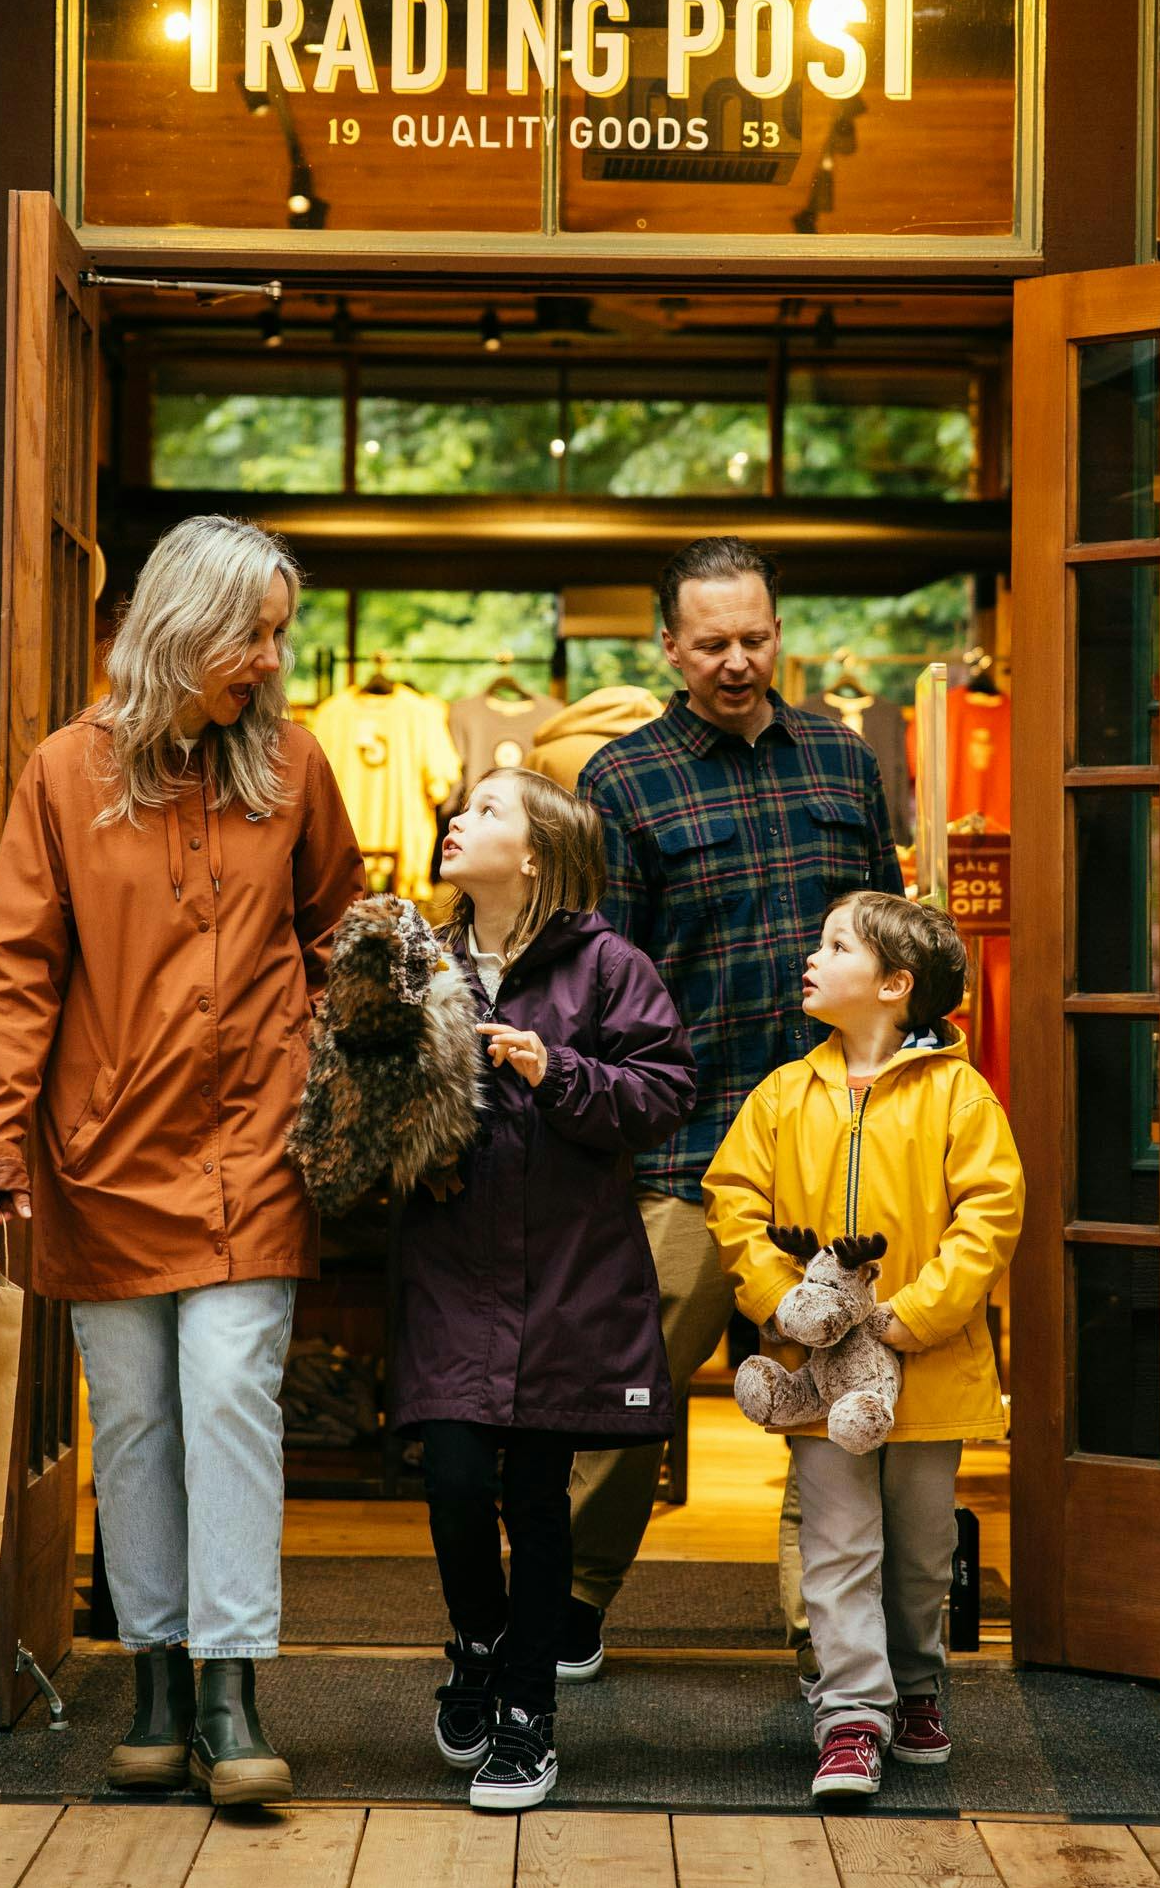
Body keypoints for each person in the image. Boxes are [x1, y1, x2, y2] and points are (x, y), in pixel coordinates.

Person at [0, 515, 362, 1808]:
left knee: (232, 1397)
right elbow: (16, 968)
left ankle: (233, 1687)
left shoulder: (292, 766)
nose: (270, 659)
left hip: (256, 1143)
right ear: (186, 625)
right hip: (100, 1152)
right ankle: (157, 1682)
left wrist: (358, 1073)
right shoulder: (66, 774)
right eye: (256, 632)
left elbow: (344, 930)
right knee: (132, 1423)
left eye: (279, 633)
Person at [563, 535, 902, 1679]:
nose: (736, 661)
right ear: (668, 646)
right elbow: (599, 982)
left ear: (775, 630)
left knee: (837, 1400)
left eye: (753, 637)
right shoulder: (622, 782)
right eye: (709, 643)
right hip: (685, 1150)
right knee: (627, 1386)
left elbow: (890, 947)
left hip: (841, 1144)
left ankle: (829, 1628)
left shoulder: (845, 765)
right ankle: (567, 1600)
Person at [390, 766, 695, 1811]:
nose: (455, 821)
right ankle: (475, 1641)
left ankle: (527, 1710)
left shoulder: (608, 965)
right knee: (453, 1479)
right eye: (459, 808)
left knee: (537, 1493)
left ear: (533, 855)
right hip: (452, 1271)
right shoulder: (417, 961)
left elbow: (663, 1093)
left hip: (569, 1271)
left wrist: (551, 1070)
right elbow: (356, 1087)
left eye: (483, 811)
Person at [703, 892, 1024, 1798]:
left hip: (928, 1366)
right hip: (819, 1378)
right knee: (837, 1542)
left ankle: (916, 1683)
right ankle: (849, 1713)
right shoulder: (782, 1094)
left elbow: (990, 1213)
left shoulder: (961, 1096)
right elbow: (732, 1199)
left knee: (920, 1548)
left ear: (893, 984)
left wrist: (912, 1315)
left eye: (834, 944)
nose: (812, 954)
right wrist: (782, 1302)